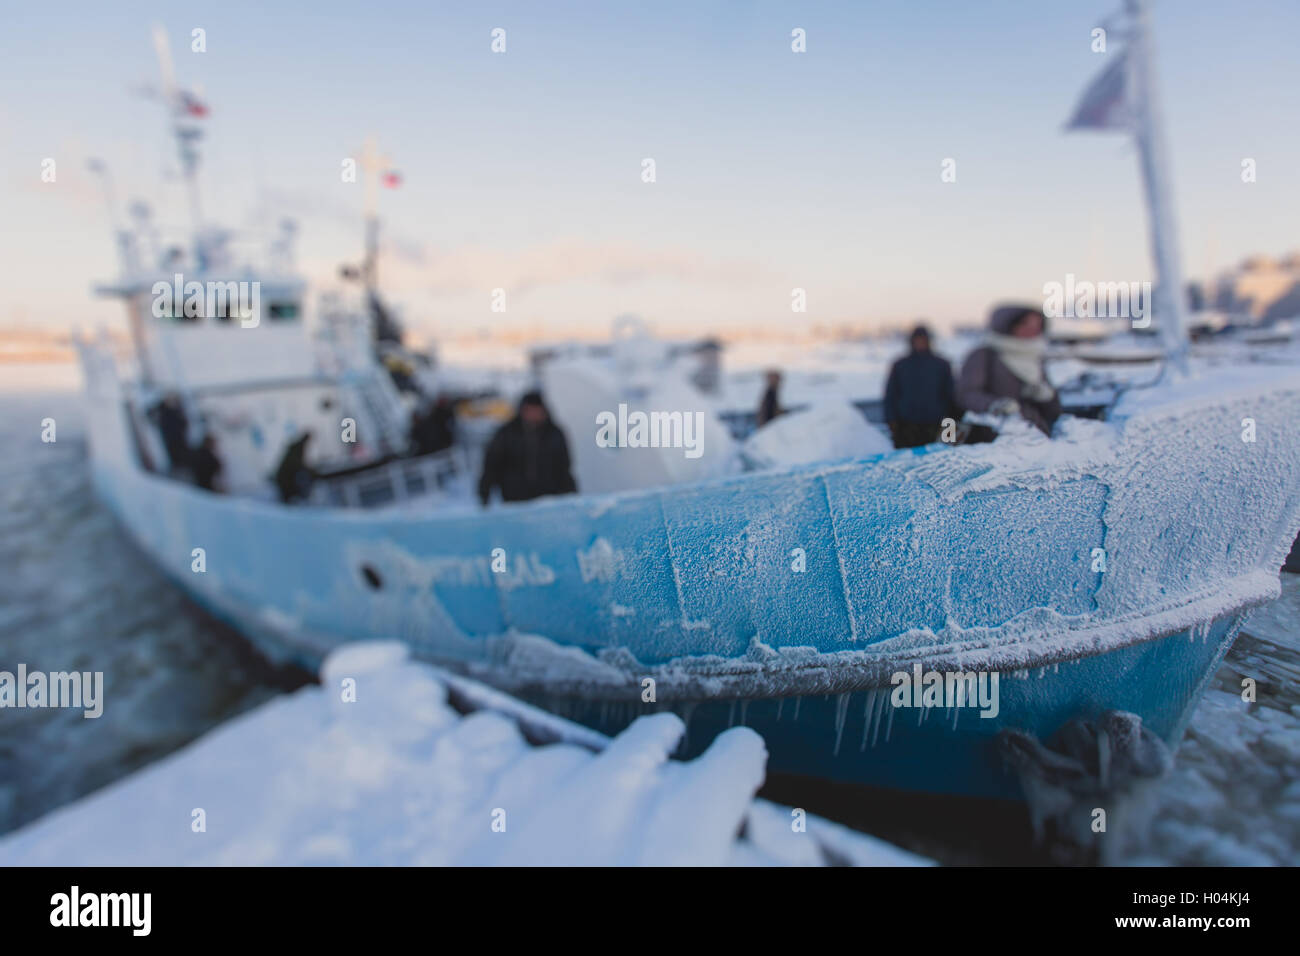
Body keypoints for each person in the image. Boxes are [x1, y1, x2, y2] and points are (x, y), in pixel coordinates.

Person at [957, 304, 1061, 436]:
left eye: (1037, 325)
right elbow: (966, 394)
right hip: (993, 438)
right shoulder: (984, 355)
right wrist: (994, 405)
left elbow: (1054, 412)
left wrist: (1046, 397)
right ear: (1007, 324)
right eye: (1025, 324)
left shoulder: (1035, 357)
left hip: (1035, 439)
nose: (1033, 329)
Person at [478, 391, 577, 506]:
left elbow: (564, 467)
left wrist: (571, 494)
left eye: (536, 410)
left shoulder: (555, 434)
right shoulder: (507, 433)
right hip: (514, 500)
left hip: (548, 500)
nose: (533, 414)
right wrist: (484, 493)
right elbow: (492, 464)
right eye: (529, 410)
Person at [883, 324, 959, 448]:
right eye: (917, 340)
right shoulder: (900, 365)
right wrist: (891, 421)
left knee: (938, 461)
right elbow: (891, 395)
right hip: (906, 426)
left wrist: (951, 428)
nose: (920, 343)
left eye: (923, 340)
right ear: (911, 341)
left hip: (935, 425)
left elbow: (951, 397)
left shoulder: (942, 365)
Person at [274, 431, 316, 504]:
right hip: (285, 476)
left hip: (285, 475)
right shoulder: (299, 446)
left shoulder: (297, 445)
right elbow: (295, 462)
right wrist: (307, 468)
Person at [154, 392, 190, 473]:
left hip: (179, 436)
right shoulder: (163, 409)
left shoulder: (177, 409)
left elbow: (182, 422)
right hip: (171, 437)